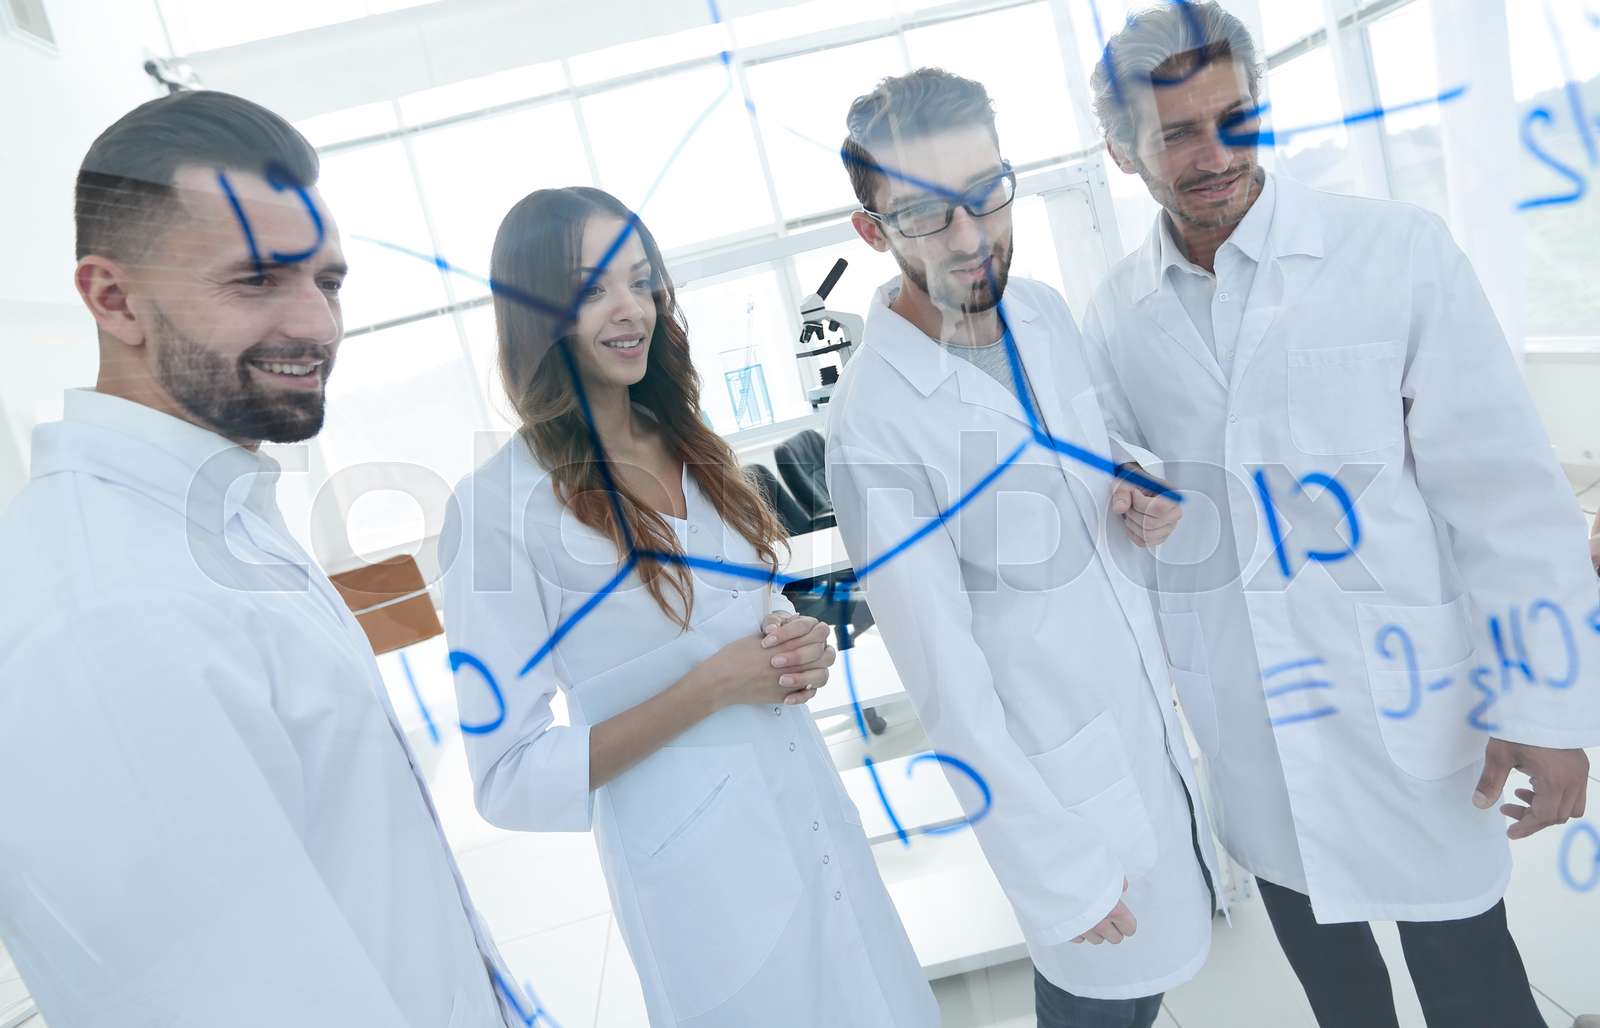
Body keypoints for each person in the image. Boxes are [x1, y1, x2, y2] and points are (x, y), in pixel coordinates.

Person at [1080, 5, 1599, 1027]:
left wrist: (1548, 711)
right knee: (1341, 1000)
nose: (1214, 153)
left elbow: (1503, 497)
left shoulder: (1391, 253)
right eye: (1176, 132)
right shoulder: (1115, 314)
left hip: (1409, 703)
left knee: (1475, 987)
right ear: (1119, 147)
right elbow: (1109, 463)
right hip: (1255, 722)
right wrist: (1125, 482)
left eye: (1233, 117)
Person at [0, 91, 520, 1026]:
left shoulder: (211, 518)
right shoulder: (109, 610)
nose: (316, 325)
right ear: (113, 300)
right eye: (256, 283)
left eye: (327, 281)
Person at [439, 186, 937, 1028]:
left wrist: (793, 640)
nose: (629, 308)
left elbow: (739, 608)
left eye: (641, 281)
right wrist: (711, 685)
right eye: (593, 288)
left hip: (809, 814)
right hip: (698, 878)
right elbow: (508, 778)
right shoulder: (495, 508)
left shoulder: (689, 442)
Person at [824, 69, 1218, 1028]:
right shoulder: (874, 425)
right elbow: (946, 685)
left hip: (1142, 729)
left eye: (986, 194)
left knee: (1150, 983)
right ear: (872, 229)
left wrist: (1138, 482)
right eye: (924, 215)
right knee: (1098, 997)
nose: (971, 237)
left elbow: (1083, 448)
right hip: (1058, 786)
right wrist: (1056, 875)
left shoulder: (1037, 307)